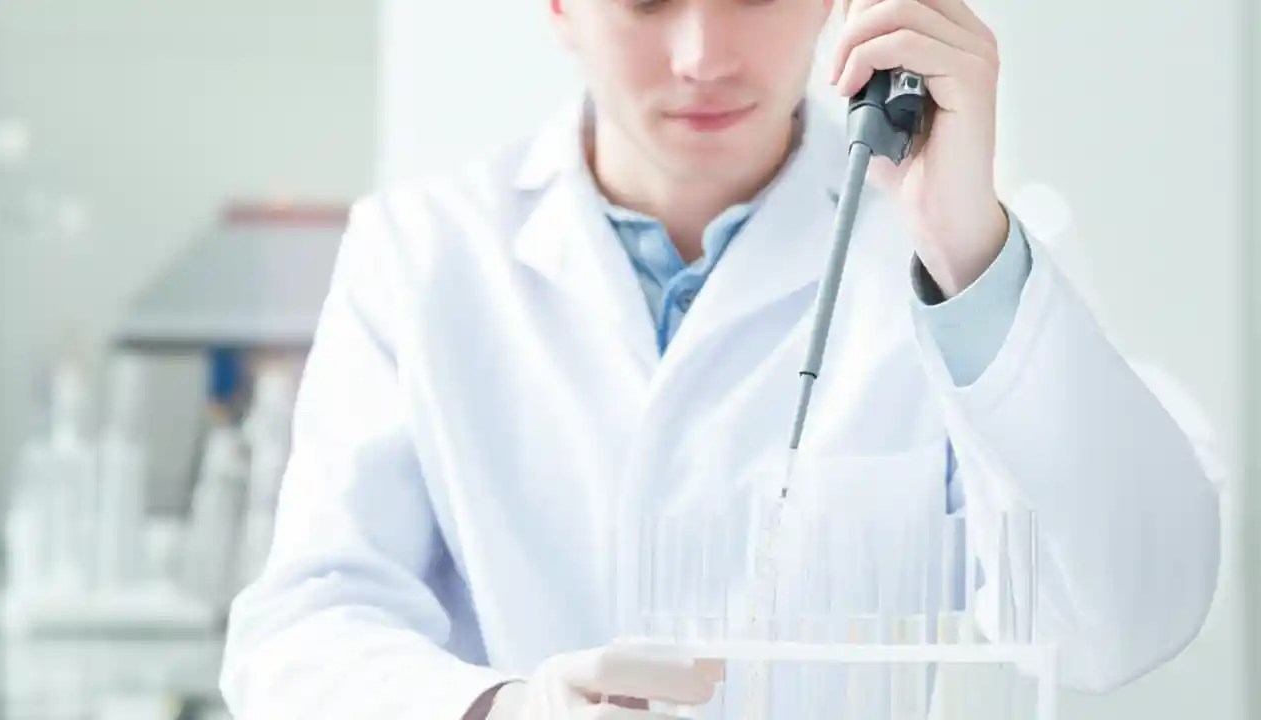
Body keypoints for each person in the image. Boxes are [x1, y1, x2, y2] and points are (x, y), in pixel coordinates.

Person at [219, 1, 1221, 718]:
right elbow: (301, 636)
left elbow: (1121, 623)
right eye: (648, 1)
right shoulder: (423, 255)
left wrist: (965, 250)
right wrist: (504, 708)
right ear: (560, 7)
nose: (701, 54)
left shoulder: (960, 253)